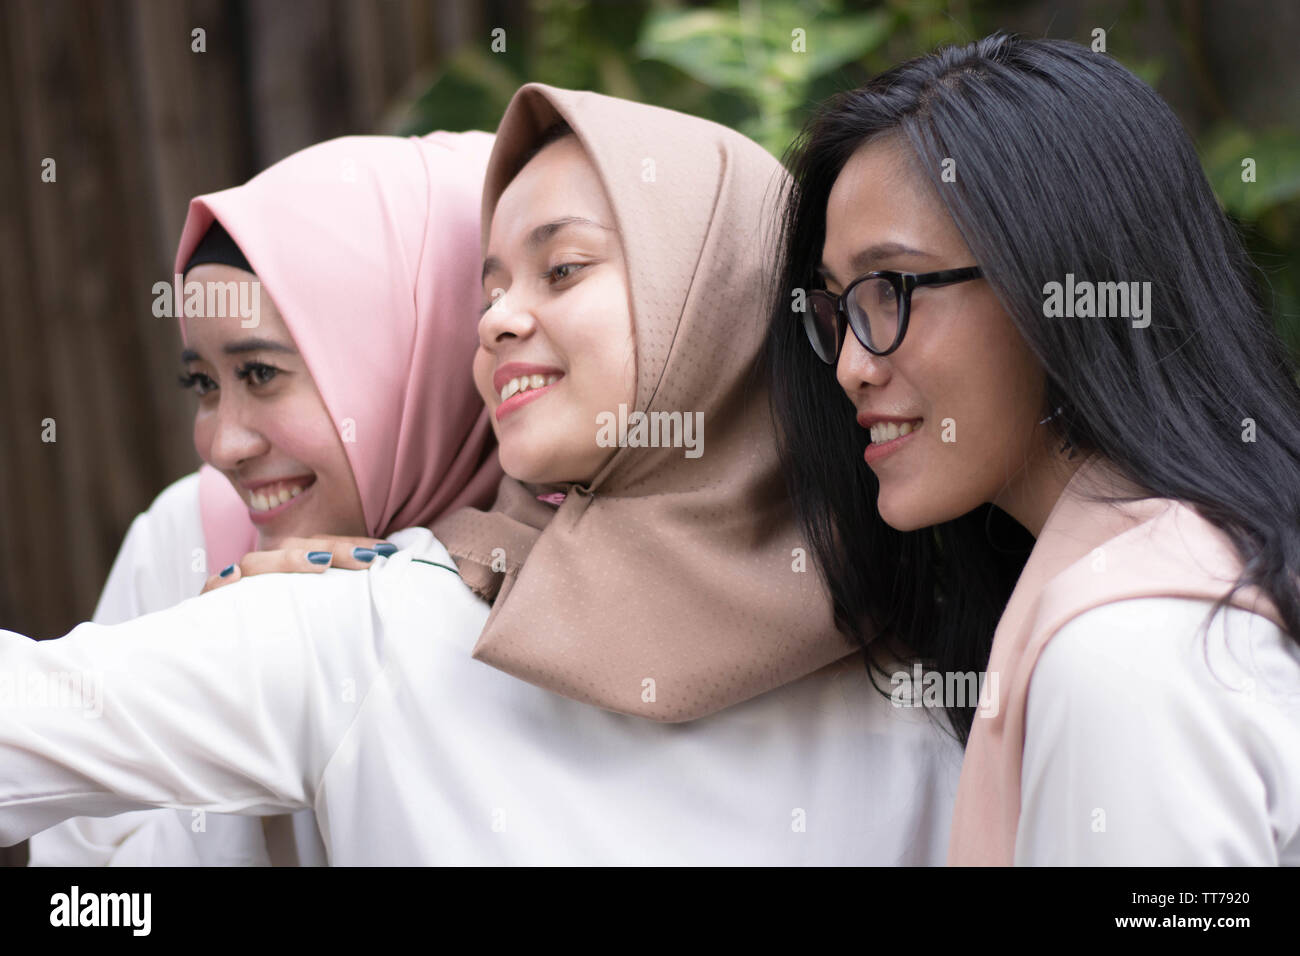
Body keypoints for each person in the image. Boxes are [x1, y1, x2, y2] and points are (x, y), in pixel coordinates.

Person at [0, 84, 961, 865]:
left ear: (717, 295)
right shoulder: (371, 619)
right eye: (489, 285)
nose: (496, 320)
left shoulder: (934, 686)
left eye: (563, 268)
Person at [766, 33, 1300, 864]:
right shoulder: (1206, 574)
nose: (850, 366)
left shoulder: (1127, 649)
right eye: (838, 307)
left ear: (1057, 280)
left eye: (892, 290)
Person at [26, 131, 501, 865]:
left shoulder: (551, 584)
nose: (223, 446)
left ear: (418, 356)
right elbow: (77, 878)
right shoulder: (190, 532)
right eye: (204, 385)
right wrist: (240, 691)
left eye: (260, 375)